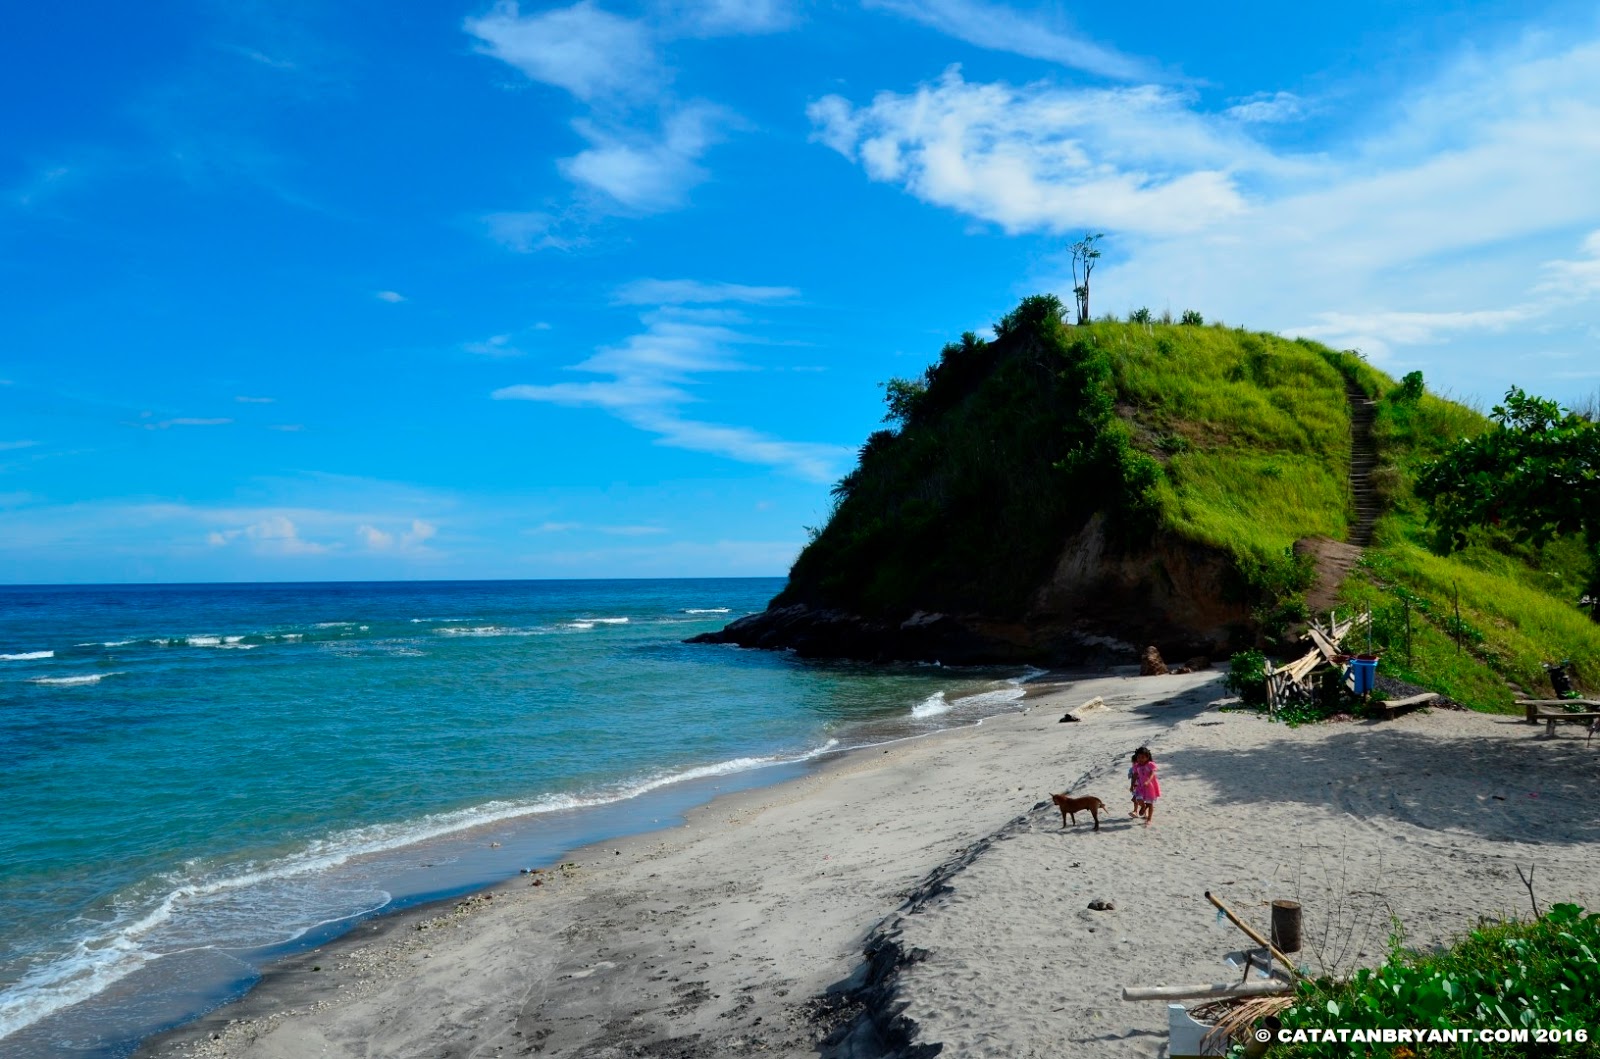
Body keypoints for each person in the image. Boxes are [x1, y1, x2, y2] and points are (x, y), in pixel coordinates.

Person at [1130, 746, 1161, 825]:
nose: (1140, 759)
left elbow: (1152, 774)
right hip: (1140, 785)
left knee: (1150, 803)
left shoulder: (1150, 764)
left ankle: (1149, 819)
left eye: (1143, 757)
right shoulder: (1137, 766)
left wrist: (1148, 781)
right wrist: (1132, 784)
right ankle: (1143, 807)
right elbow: (1135, 775)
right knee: (1138, 798)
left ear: (1147, 757)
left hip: (1150, 786)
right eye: (1139, 757)